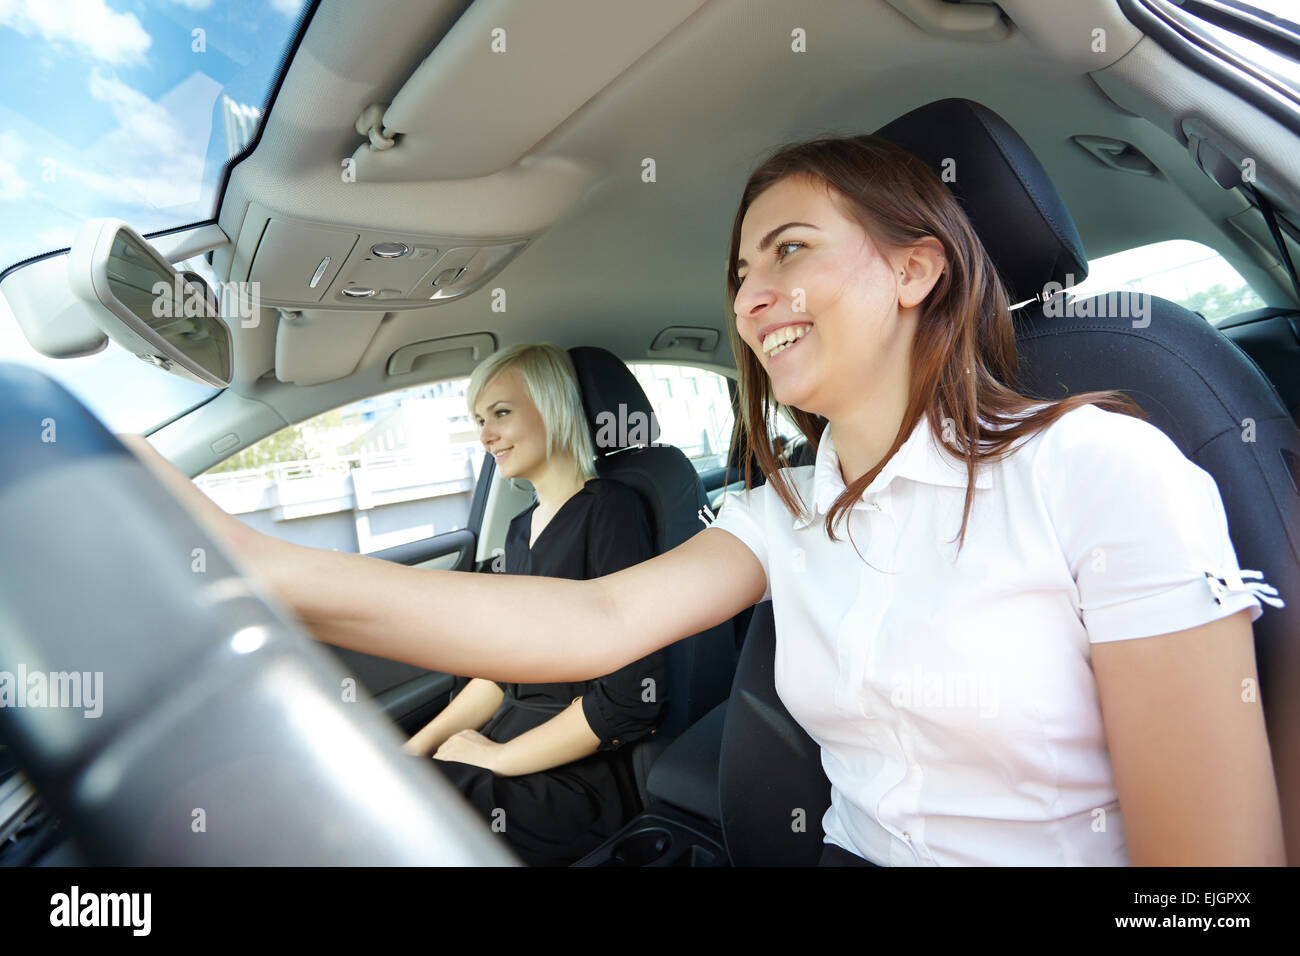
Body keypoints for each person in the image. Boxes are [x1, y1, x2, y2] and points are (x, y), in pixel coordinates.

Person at [120, 133, 1288, 867]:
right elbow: (584, 624)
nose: (750, 298)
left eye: (786, 250)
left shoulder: (1099, 473)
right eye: (739, 273)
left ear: (915, 266)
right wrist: (247, 557)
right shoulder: (785, 513)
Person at [400, 342, 667, 865]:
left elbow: (630, 699)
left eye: (501, 413)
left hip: (576, 774)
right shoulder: (520, 532)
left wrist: (495, 759)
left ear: (553, 407)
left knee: (405, 814)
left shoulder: (611, 511)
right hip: (509, 742)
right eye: (480, 419)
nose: (485, 435)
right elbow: (501, 674)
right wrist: (412, 750)